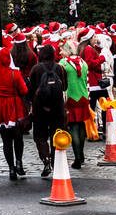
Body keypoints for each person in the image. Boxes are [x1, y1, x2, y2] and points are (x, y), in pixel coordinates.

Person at [0, 46, 29, 180]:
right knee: (18, 137)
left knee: (6, 141)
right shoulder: (14, 73)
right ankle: (19, 163)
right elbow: (24, 90)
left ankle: (11, 169)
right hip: (14, 106)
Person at [27, 42, 68, 178]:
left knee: (40, 136)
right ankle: (57, 163)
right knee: (56, 135)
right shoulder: (60, 68)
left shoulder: (36, 69)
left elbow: (31, 89)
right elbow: (64, 87)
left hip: (40, 108)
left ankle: (46, 160)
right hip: (57, 107)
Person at [60, 40, 91, 169]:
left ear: (67, 50)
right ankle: (82, 154)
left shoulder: (63, 63)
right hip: (83, 96)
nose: (60, 52)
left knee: (73, 127)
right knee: (81, 124)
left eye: (62, 50)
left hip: (71, 97)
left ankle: (77, 158)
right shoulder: (83, 63)